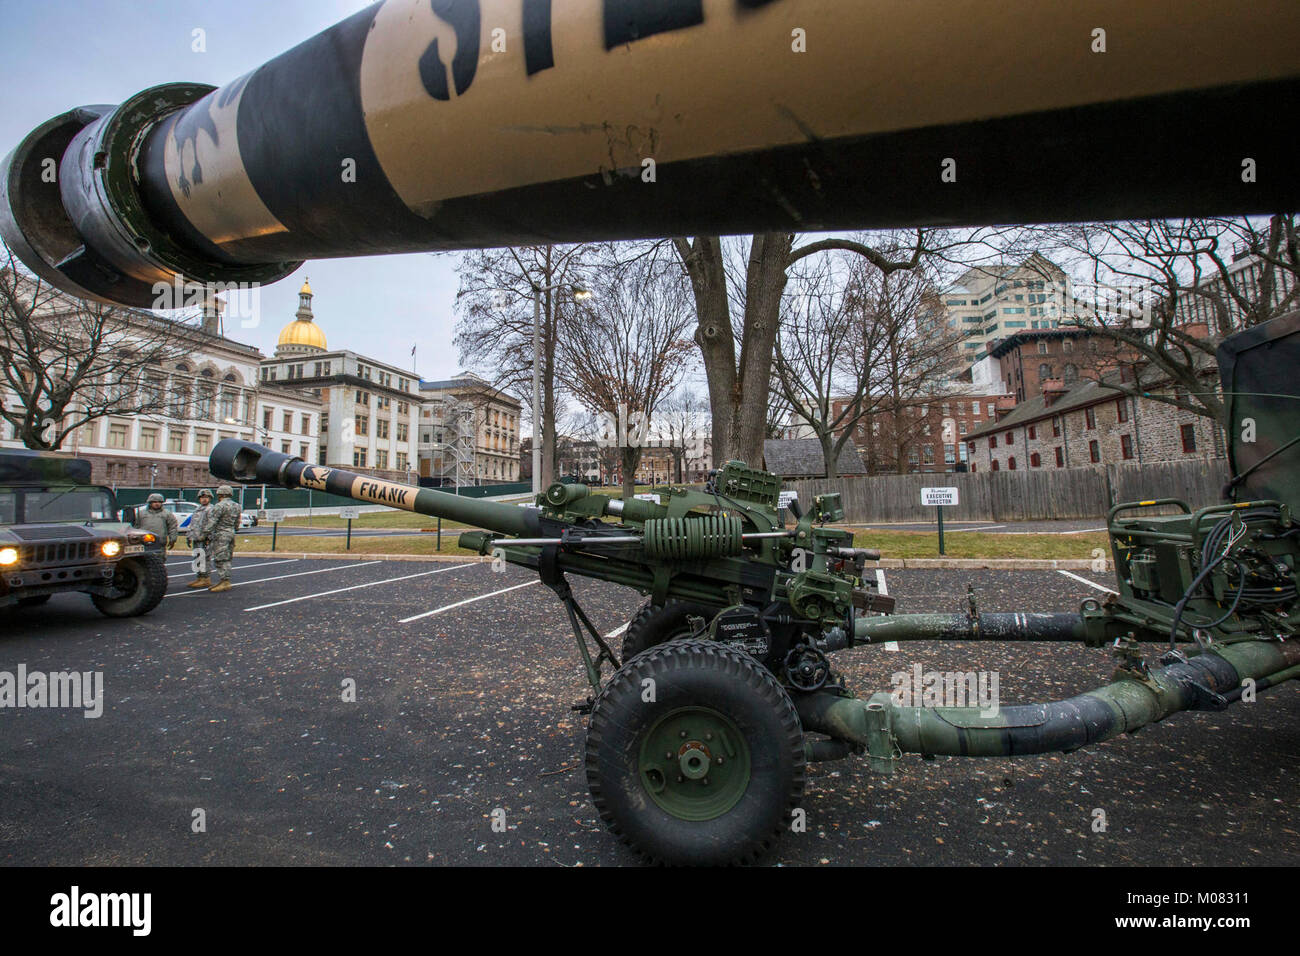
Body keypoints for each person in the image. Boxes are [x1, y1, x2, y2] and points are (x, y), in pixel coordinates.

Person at [206, 485, 243, 593]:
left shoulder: (219, 506)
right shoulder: (236, 506)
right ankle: (225, 580)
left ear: (220, 494)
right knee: (227, 557)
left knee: (220, 557)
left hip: (221, 534)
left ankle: (224, 581)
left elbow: (212, 522)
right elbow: (237, 521)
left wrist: (205, 534)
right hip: (231, 532)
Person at [185, 489, 214, 589]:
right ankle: (199, 577)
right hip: (196, 537)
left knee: (205, 558)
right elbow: (193, 524)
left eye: (206, 497)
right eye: (202, 498)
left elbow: (211, 524)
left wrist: (208, 536)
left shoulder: (210, 509)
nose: (204, 500)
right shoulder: (198, 509)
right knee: (197, 558)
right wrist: (189, 536)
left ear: (210, 498)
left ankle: (206, 578)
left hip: (205, 538)